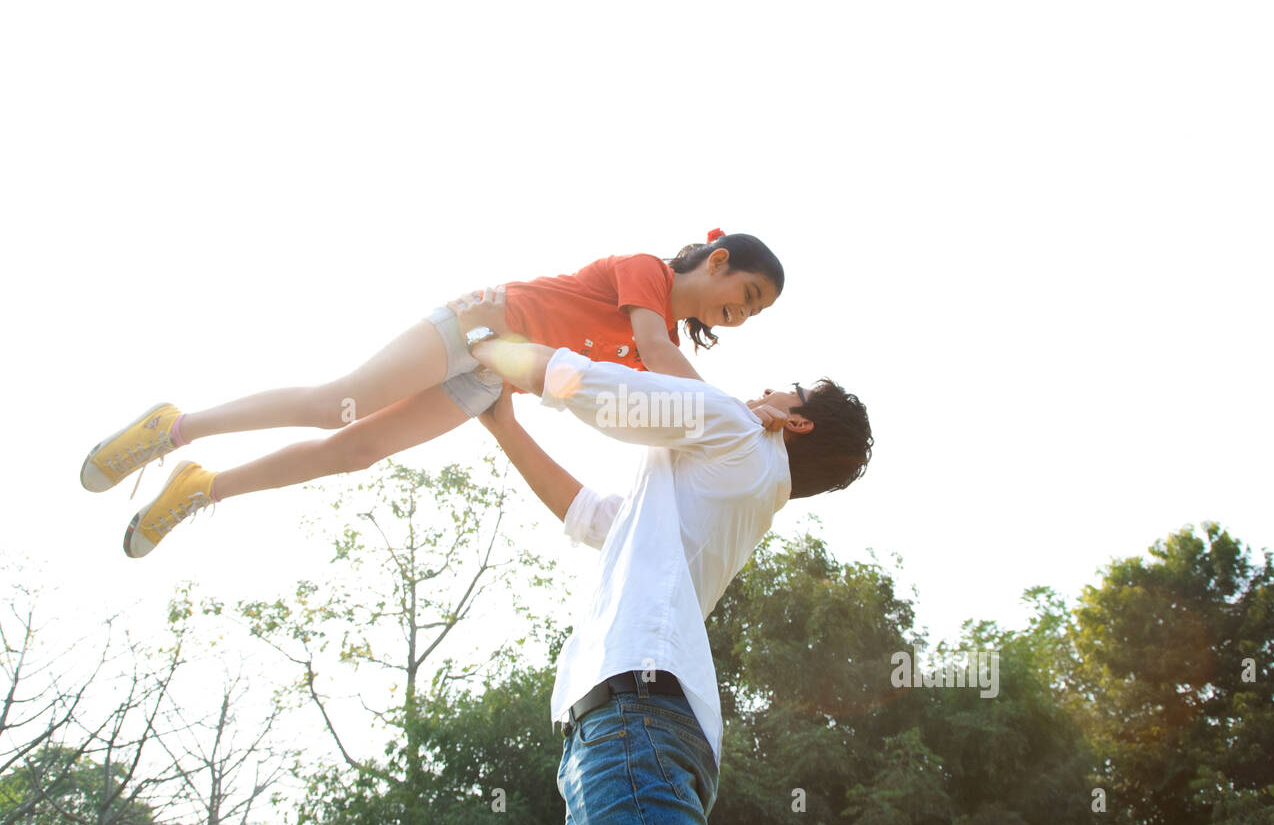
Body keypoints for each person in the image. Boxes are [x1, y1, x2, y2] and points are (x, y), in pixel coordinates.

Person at [77, 231, 783, 557]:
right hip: (482, 322)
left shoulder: (658, 340)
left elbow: (639, 394)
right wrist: (741, 410)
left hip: (492, 373)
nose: (740, 313)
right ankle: (177, 428)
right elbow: (659, 358)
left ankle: (202, 487)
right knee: (341, 401)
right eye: (744, 294)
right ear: (717, 262)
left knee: (355, 452)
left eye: (754, 313)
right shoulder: (647, 276)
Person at [462, 317, 872, 825]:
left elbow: (598, 390)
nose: (768, 390)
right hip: (629, 730)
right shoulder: (746, 487)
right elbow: (597, 520)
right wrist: (507, 430)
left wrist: (481, 346)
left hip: (634, 723)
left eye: (787, 391)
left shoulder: (739, 432)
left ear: (798, 423)